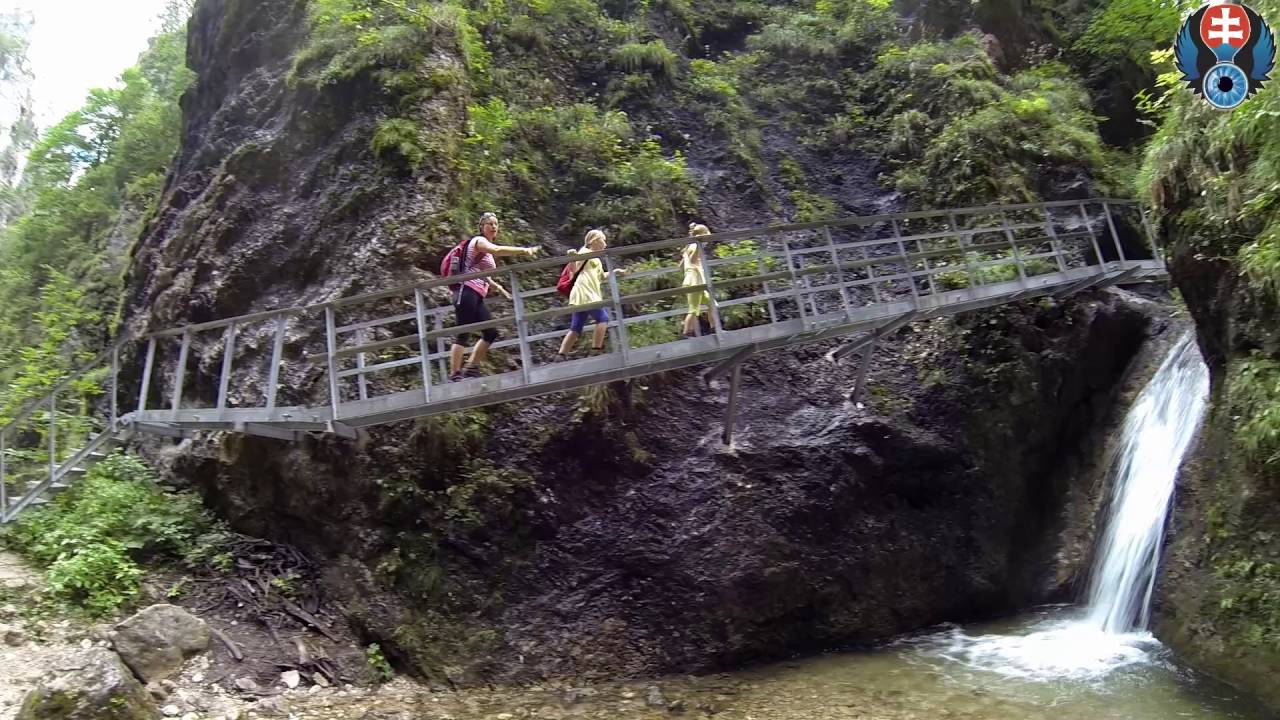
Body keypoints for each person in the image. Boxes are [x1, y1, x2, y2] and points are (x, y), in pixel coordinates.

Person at [450, 212, 542, 382]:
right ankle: (455, 374)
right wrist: (524, 251)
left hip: (476, 293)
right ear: (481, 227)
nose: (493, 227)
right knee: (463, 332)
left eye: (496, 224)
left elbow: (482, 273)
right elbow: (497, 249)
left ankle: (470, 367)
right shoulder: (479, 241)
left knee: (491, 332)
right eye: (489, 224)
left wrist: (499, 288)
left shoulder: (483, 249)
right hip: (466, 291)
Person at [557, 229, 627, 359]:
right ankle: (596, 349)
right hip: (585, 292)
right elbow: (574, 271)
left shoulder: (596, 258)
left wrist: (615, 271)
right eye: (603, 240)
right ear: (594, 240)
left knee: (576, 327)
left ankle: (561, 355)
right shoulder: (585, 252)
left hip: (587, 293)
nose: (605, 244)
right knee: (603, 319)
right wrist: (572, 258)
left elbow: (601, 277)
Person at [681, 223, 714, 338]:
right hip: (695, 280)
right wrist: (699, 246)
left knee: (712, 304)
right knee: (693, 309)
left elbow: (681, 265)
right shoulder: (695, 246)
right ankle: (686, 333)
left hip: (693, 279)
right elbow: (693, 260)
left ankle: (714, 328)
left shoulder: (688, 247)